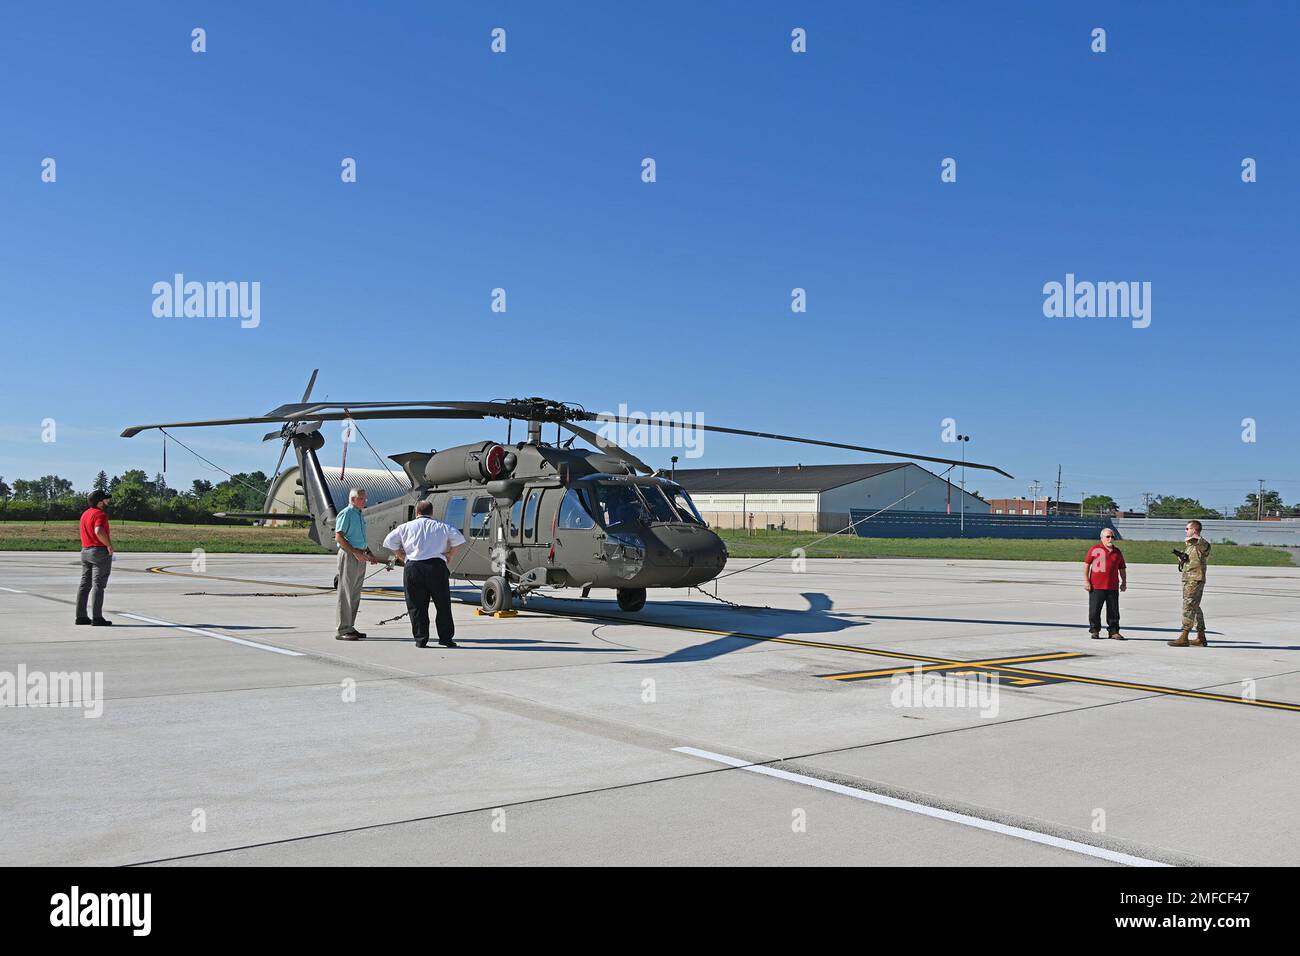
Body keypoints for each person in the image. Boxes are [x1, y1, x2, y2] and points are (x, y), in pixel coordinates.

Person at [383, 499, 466, 648]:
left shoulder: (405, 527)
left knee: (416, 605)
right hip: (436, 566)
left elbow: (389, 541)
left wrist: (401, 556)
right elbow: (458, 540)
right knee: (443, 604)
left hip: (413, 566)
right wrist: (450, 555)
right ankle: (446, 638)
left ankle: (421, 639)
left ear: (417, 512)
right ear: (432, 512)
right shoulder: (442, 526)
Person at [334, 488, 379, 640]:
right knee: (345, 592)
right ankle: (342, 629)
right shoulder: (347, 513)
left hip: (360, 555)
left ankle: (350, 626)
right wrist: (355, 552)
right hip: (349, 555)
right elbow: (339, 537)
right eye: (361, 498)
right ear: (353, 499)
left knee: (355, 593)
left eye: (365, 498)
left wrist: (369, 553)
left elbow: (359, 538)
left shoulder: (360, 514)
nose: (364, 501)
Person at [1169, 519, 1212, 647]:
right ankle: (1201, 637)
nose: (1185, 531)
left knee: (1188, 606)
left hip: (1194, 579)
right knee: (1195, 606)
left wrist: (1195, 537)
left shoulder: (1201, 543)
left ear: (1194, 530)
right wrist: (1182, 558)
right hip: (1189, 578)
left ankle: (1184, 635)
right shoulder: (1191, 546)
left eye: (1187, 529)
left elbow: (1204, 545)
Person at [75, 490, 115, 626]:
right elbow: (98, 530)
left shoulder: (85, 514)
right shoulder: (100, 514)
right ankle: (97, 617)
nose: (107, 501)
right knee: (98, 585)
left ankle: (80, 616)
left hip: (85, 551)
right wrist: (108, 545)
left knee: (85, 585)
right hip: (98, 552)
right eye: (105, 499)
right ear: (99, 502)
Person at [1084, 528, 1127, 640]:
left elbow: (1122, 568)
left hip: (1112, 586)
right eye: (1108, 536)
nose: (1110, 539)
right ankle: (1095, 630)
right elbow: (1087, 565)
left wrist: (1124, 582)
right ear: (1102, 538)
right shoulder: (1095, 549)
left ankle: (1113, 632)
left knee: (1113, 611)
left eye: (1112, 537)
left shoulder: (1117, 552)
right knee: (1094, 610)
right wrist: (1086, 581)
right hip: (1096, 586)